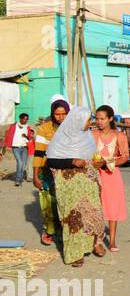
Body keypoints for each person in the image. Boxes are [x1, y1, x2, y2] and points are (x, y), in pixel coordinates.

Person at [43, 103, 107, 267]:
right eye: (87, 120)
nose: (89, 123)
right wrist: (71, 161)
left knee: (92, 215)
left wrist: (100, 163)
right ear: (77, 120)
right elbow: (50, 161)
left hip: (88, 186)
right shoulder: (61, 138)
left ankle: (94, 243)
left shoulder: (87, 137)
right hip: (70, 188)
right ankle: (75, 254)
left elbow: (94, 158)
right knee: (73, 220)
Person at [91, 106, 129, 252]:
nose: (99, 122)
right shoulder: (93, 135)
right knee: (96, 206)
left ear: (110, 119)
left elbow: (125, 157)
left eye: (102, 119)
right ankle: (97, 239)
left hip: (112, 176)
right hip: (95, 174)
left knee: (112, 208)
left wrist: (107, 162)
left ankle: (112, 241)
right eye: (97, 119)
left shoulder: (119, 136)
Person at [31, 99, 67, 246]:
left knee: (65, 202)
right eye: (57, 114)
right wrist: (35, 175)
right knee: (48, 203)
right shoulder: (44, 129)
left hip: (66, 171)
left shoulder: (72, 128)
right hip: (47, 171)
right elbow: (39, 153)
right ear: (52, 114)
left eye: (64, 114)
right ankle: (49, 231)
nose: (61, 117)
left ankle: (65, 232)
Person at [3, 112, 35, 186]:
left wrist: (25, 136)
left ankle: (20, 179)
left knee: (23, 164)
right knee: (20, 162)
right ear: (20, 119)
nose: (25, 120)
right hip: (16, 148)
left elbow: (29, 138)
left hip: (24, 148)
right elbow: (7, 136)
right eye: (24, 119)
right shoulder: (13, 126)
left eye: (27, 119)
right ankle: (17, 180)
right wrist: (4, 146)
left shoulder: (27, 127)